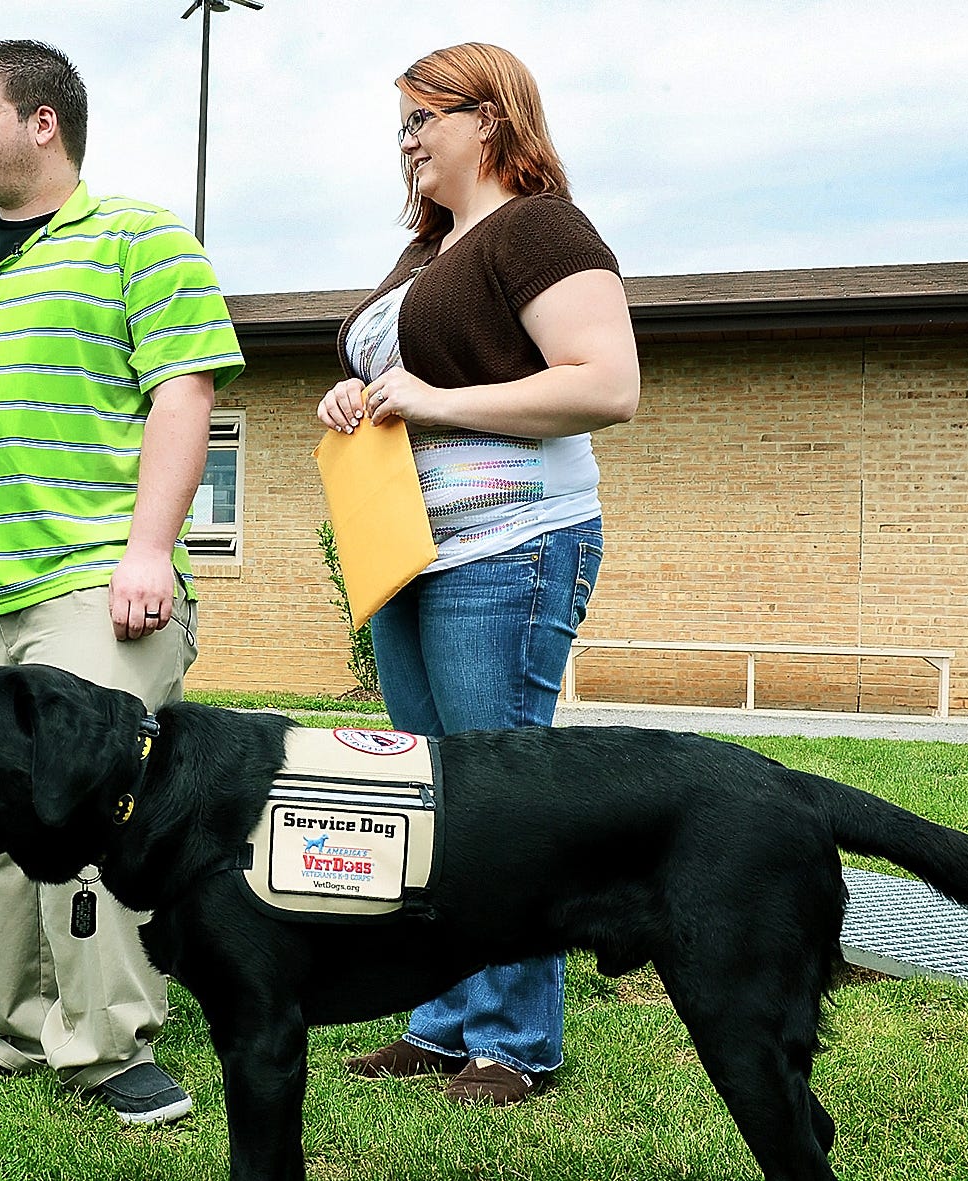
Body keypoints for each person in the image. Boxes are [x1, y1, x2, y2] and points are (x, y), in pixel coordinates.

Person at [0, 39, 243, 1126]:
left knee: (88, 797)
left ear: (44, 122)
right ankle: (10, 1031)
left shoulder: (142, 240)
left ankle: (109, 1043)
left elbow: (183, 397)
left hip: (93, 576)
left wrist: (150, 549)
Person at [314, 42, 640, 1106]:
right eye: (399, 124)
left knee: (503, 794)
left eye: (422, 119)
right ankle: (442, 1015)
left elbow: (606, 382)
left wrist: (431, 399)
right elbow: (410, 376)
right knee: (429, 790)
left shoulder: (539, 227)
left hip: (510, 548)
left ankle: (515, 1041)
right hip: (410, 546)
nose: (406, 140)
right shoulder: (428, 252)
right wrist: (352, 395)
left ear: (489, 121)